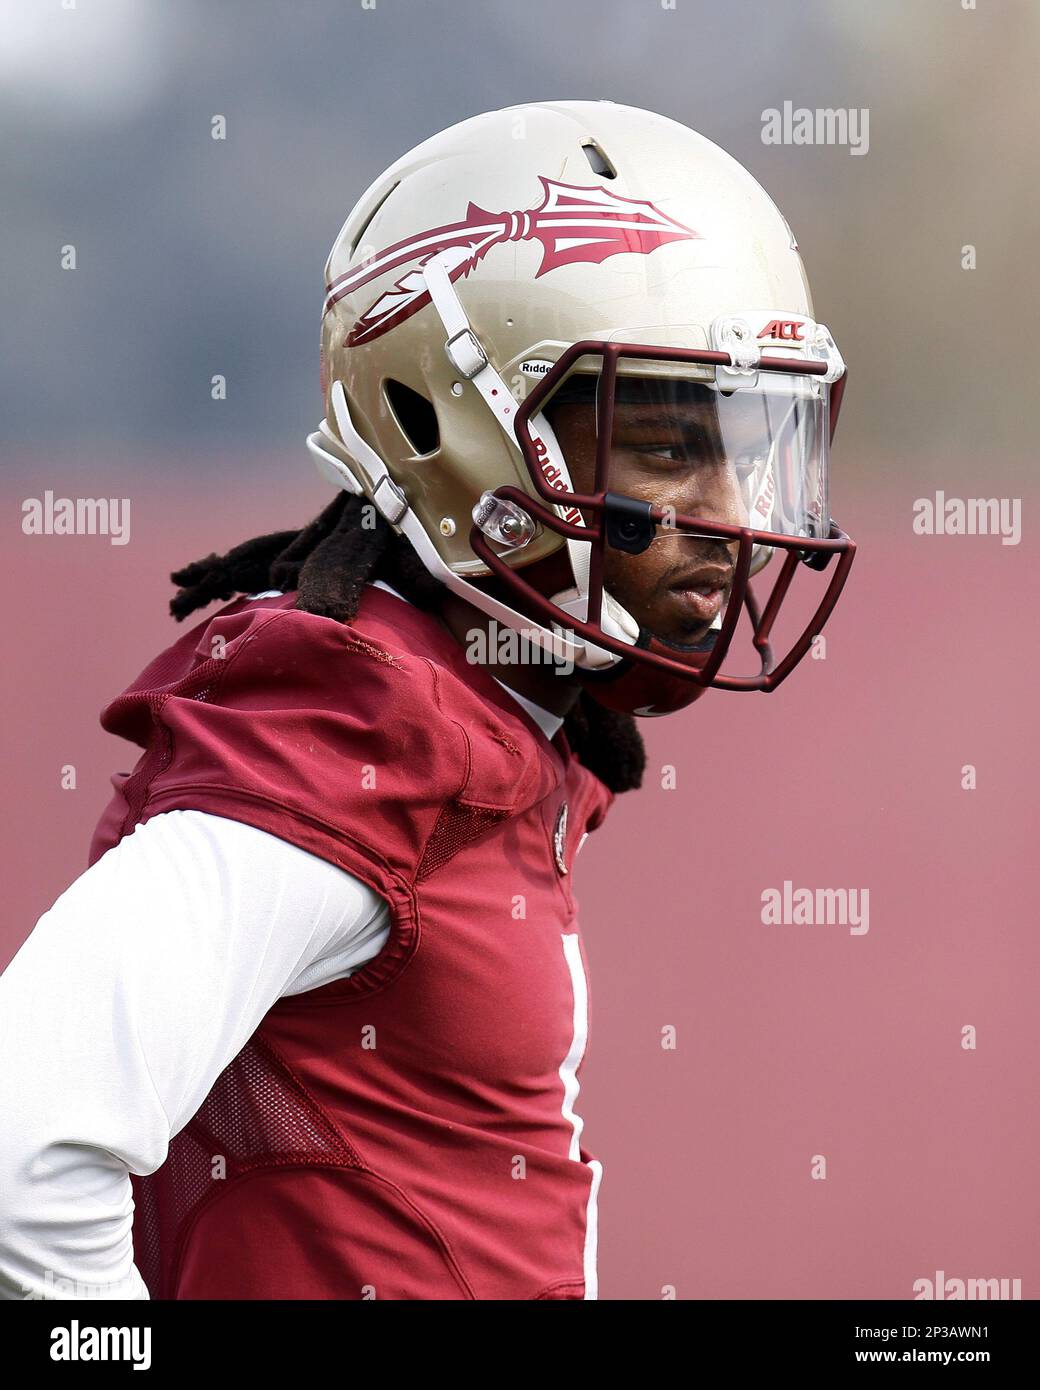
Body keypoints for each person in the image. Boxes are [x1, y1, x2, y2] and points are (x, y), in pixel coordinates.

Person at [0, 100, 854, 1301]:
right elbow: (22, 1145)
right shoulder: (352, 733)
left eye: (750, 448)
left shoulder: (488, 720)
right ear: (445, 425)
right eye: (668, 448)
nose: (727, 511)